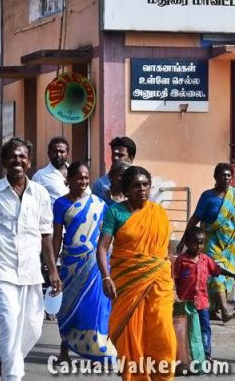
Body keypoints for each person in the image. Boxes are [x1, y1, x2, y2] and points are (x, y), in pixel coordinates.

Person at [0, 137, 61, 381]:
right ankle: (12, 375)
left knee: (33, 326)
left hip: (31, 271)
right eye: (12, 156)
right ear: (4, 161)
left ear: (29, 161)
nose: (17, 161)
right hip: (2, 270)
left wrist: (53, 271)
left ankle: (7, 362)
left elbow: (46, 235)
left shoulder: (40, 194)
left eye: (22, 156)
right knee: (8, 323)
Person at [95, 166, 177, 381]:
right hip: (127, 284)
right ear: (126, 189)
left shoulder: (158, 212)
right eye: (136, 186)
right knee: (132, 336)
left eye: (145, 184)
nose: (142, 189)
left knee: (164, 334)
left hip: (159, 284)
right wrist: (106, 277)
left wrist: (170, 278)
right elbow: (102, 247)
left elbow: (166, 250)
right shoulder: (116, 212)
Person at [51, 162, 115, 363]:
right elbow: (57, 237)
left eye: (86, 178)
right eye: (79, 177)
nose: (84, 181)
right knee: (68, 307)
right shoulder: (60, 204)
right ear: (68, 180)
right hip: (71, 263)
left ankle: (99, 349)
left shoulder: (99, 204)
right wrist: (52, 264)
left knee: (96, 306)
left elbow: (106, 235)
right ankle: (65, 349)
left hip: (95, 263)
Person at [179, 162, 235, 323]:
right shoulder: (207, 196)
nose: (226, 178)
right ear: (215, 177)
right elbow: (195, 219)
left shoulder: (233, 195)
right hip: (210, 241)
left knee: (223, 277)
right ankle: (225, 311)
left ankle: (213, 310)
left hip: (229, 245)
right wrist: (183, 240)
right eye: (222, 175)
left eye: (228, 175)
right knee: (217, 272)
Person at [173, 226, 235, 364]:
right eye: (196, 243)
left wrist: (233, 275)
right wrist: (174, 295)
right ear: (187, 243)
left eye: (202, 242)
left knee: (205, 329)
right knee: (186, 329)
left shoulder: (206, 259)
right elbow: (174, 278)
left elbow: (218, 269)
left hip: (202, 303)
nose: (199, 246)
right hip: (185, 304)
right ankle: (185, 355)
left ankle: (206, 355)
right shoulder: (182, 260)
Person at [91, 136, 136, 202]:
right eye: (114, 154)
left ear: (131, 158)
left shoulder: (139, 184)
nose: (115, 158)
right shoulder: (100, 185)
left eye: (120, 155)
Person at [33, 136, 69, 204]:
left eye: (62, 152)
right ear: (49, 153)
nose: (58, 155)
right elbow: (34, 202)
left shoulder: (76, 171)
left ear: (67, 153)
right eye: (55, 151)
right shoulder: (39, 176)